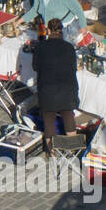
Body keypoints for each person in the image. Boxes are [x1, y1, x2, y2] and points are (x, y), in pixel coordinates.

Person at [33, 18, 80, 156]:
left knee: (48, 118)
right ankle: (73, 148)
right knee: (68, 115)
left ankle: (51, 152)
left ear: (48, 31)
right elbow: (74, 68)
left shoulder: (40, 47)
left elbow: (35, 67)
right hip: (68, 90)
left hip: (48, 90)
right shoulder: (69, 48)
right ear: (62, 31)